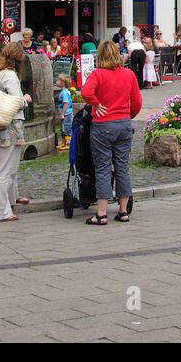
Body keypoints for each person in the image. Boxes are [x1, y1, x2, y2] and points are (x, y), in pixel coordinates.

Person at [81, 41, 143, 225]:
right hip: (123, 124)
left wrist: (95, 103)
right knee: (122, 167)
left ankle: (101, 213)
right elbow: (137, 102)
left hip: (103, 125)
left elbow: (85, 91)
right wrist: (128, 114)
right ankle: (123, 211)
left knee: (102, 169)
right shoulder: (128, 74)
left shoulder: (97, 74)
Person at [0, 42, 32, 221]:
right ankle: (0, 212)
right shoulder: (10, 76)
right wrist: (25, 98)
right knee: (4, 170)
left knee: (10, 167)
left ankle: (12, 197)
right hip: (9, 126)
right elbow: (16, 101)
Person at [54, 73, 73, 150]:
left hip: (66, 114)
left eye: (58, 80)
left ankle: (68, 143)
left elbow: (66, 103)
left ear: (63, 83)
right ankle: (63, 142)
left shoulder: (65, 93)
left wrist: (62, 114)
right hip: (64, 114)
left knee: (67, 128)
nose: (56, 81)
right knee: (63, 129)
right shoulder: (63, 92)